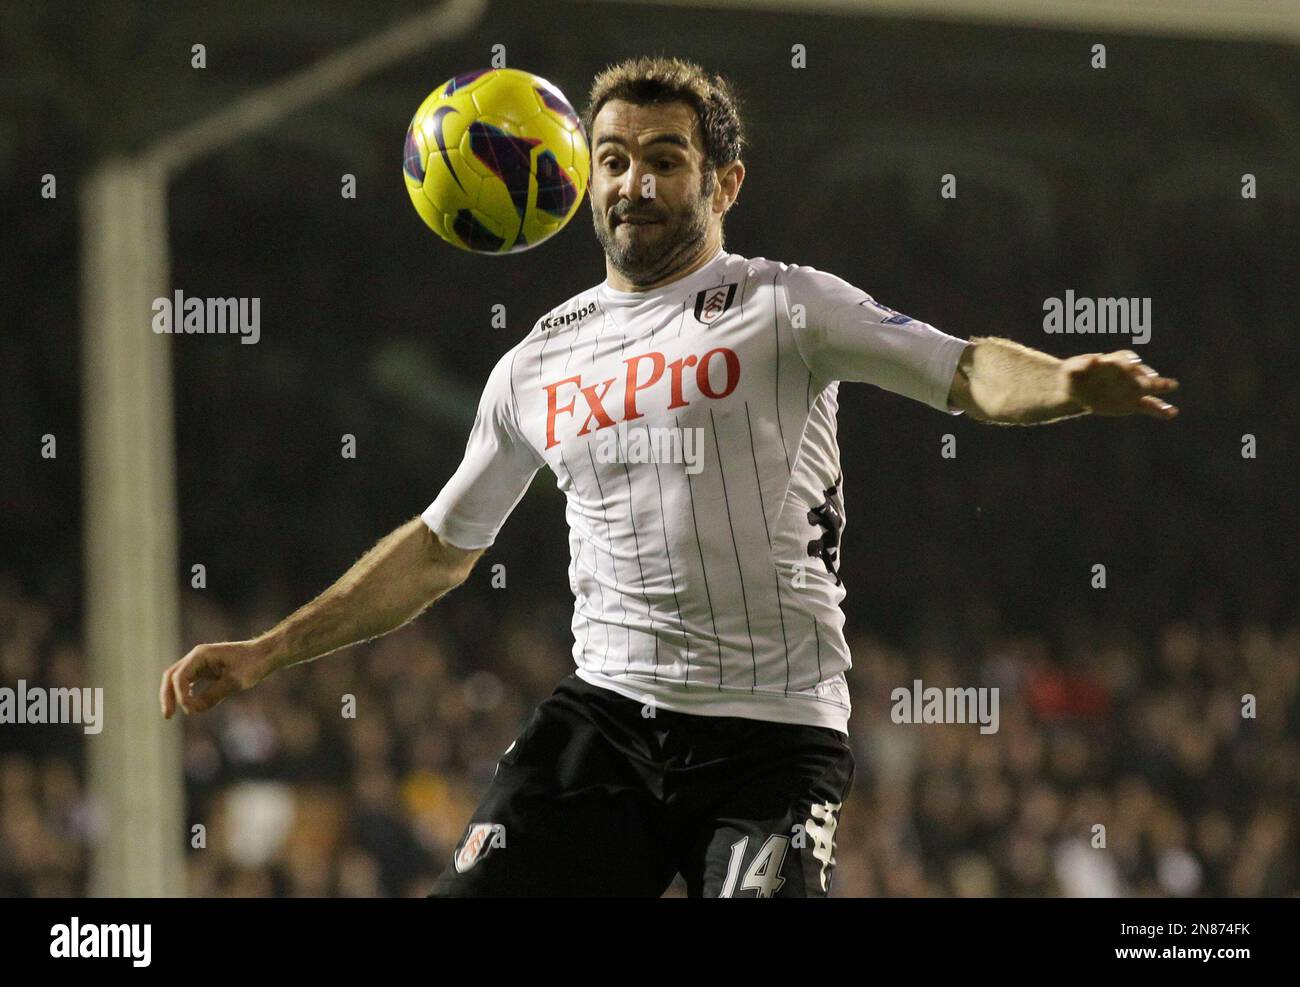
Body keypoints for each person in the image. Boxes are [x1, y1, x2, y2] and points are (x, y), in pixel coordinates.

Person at [159, 56, 1179, 897]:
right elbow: (436, 550)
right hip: (603, 722)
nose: (633, 182)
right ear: (580, 177)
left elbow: (962, 370)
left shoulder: (786, 306)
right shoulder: (536, 362)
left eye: (663, 158)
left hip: (772, 741)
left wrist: (1064, 382)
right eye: (611, 158)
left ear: (722, 183)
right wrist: (268, 652)